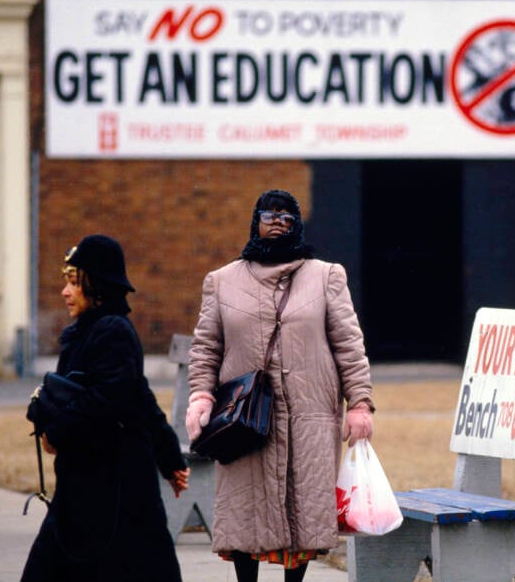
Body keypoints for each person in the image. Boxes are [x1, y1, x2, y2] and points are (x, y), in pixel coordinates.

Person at [186, 189, 374, 582]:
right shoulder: (221, 281)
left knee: (303, 507)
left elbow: (348, 344)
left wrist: (359, 402)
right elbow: (206, 346)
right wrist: (201, 395)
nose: (277, 222)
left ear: (296, 223)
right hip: (245, 416)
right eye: (269, 215)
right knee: (244, 509)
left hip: (310, 414)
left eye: (286, 216)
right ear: (255, 220)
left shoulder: (325, 276)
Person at [22, 234, 190, 582]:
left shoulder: (112, 331)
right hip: (89, 484)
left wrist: (57, 430)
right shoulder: (88, 330)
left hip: (113, 488)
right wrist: (170, 457)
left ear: (96, 286)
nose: (65, 293)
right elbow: (139, 395)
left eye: (73, 283)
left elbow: (110, 400)